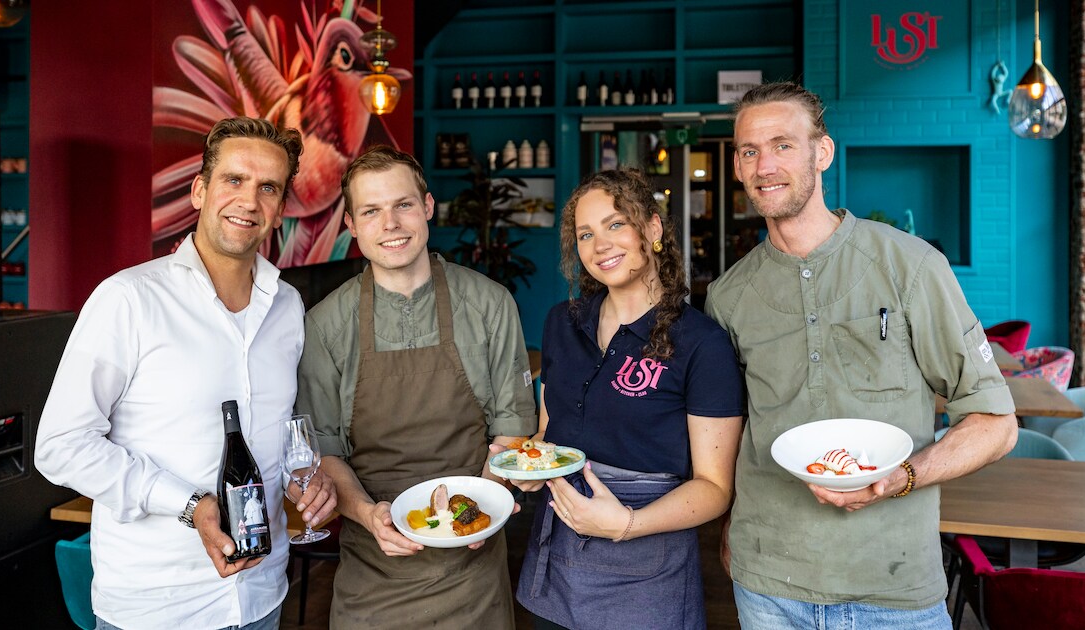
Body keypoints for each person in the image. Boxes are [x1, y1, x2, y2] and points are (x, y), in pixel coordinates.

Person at [704, 81, 1018, 628]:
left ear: (821, 152)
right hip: (767, 583)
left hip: (893, 584)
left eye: (782, 144)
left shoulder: (912, 267)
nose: (764, 165)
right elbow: (728, 437)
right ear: (736, 166)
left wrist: (906, 477)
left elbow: (996, 423)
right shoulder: (727, 296)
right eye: (749, 151)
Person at [35, 117, 336, 630]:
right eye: (233, 180)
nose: (249, 201)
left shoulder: (287, 306)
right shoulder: (128, 299)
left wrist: (306, 481)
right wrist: (189, 503)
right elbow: (60, 445)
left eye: (268, 187)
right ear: (199, 190)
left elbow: (278, 433)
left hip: (263, 595)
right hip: (158, 607)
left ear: (281, 209)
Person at [295, 145, 537, 627]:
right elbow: (325, 450)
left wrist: (477, 511)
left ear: (427, 208)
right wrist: (368, 516)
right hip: (373, 569)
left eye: (403, 204)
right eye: (371, 210)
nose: (391, 223)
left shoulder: (491, 304)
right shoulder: (324, 325)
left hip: (474, 568)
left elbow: (511, 428)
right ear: (352, 225)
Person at [513, 169, 745, 629]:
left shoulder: (702, 343)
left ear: (653, 229)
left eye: (616, 224)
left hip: (646, 572)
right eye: (585, 233)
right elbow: (546, 433)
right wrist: (528, 467)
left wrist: (626, 525)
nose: (600, 245)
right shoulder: (562, 322)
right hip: (557, 561)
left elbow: (715, 489)